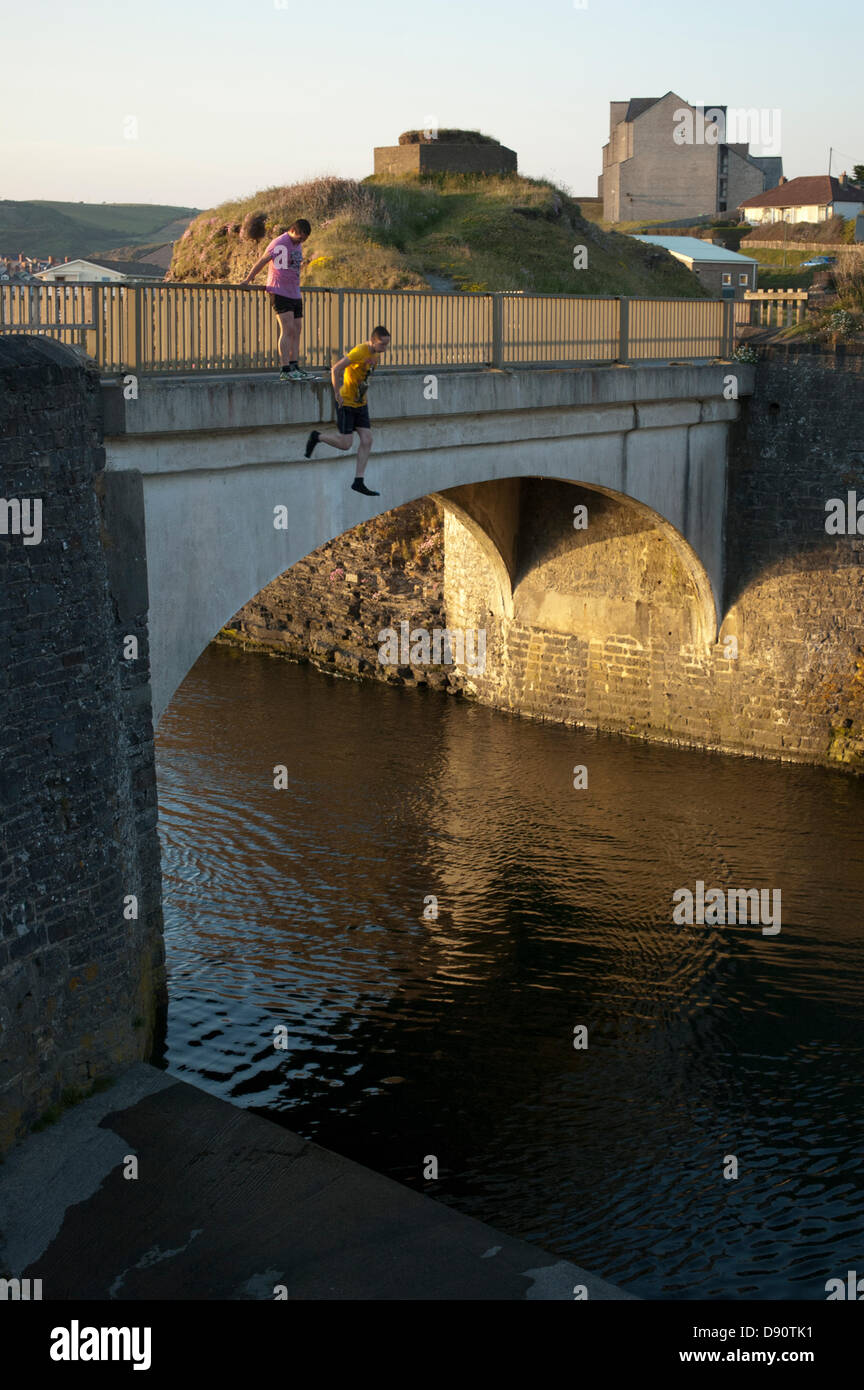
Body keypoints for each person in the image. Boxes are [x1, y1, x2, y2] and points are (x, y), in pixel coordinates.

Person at [304, 327, 391, 495]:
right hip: (347, 402)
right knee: (346, 444)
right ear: (373, 341)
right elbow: (335, 369)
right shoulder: (359, 351)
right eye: (382, 344)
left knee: (367, 439)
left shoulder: (376, 354)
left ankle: (359, 481)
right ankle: (317, 436)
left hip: (361, 403)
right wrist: (337, 393)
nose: (384, 349)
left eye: (387, 345)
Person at [241, 218, 312, 380]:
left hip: (294, 292)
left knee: (297, 329)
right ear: (294, 230)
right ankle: (285, 368)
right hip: (279, 291)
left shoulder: (297, 244)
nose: (302, 241)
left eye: (304, 239)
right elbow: (263, 260)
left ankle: (295, 365)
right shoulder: (279, 243)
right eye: (301, 237)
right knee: (287, 329)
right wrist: (248, 279)